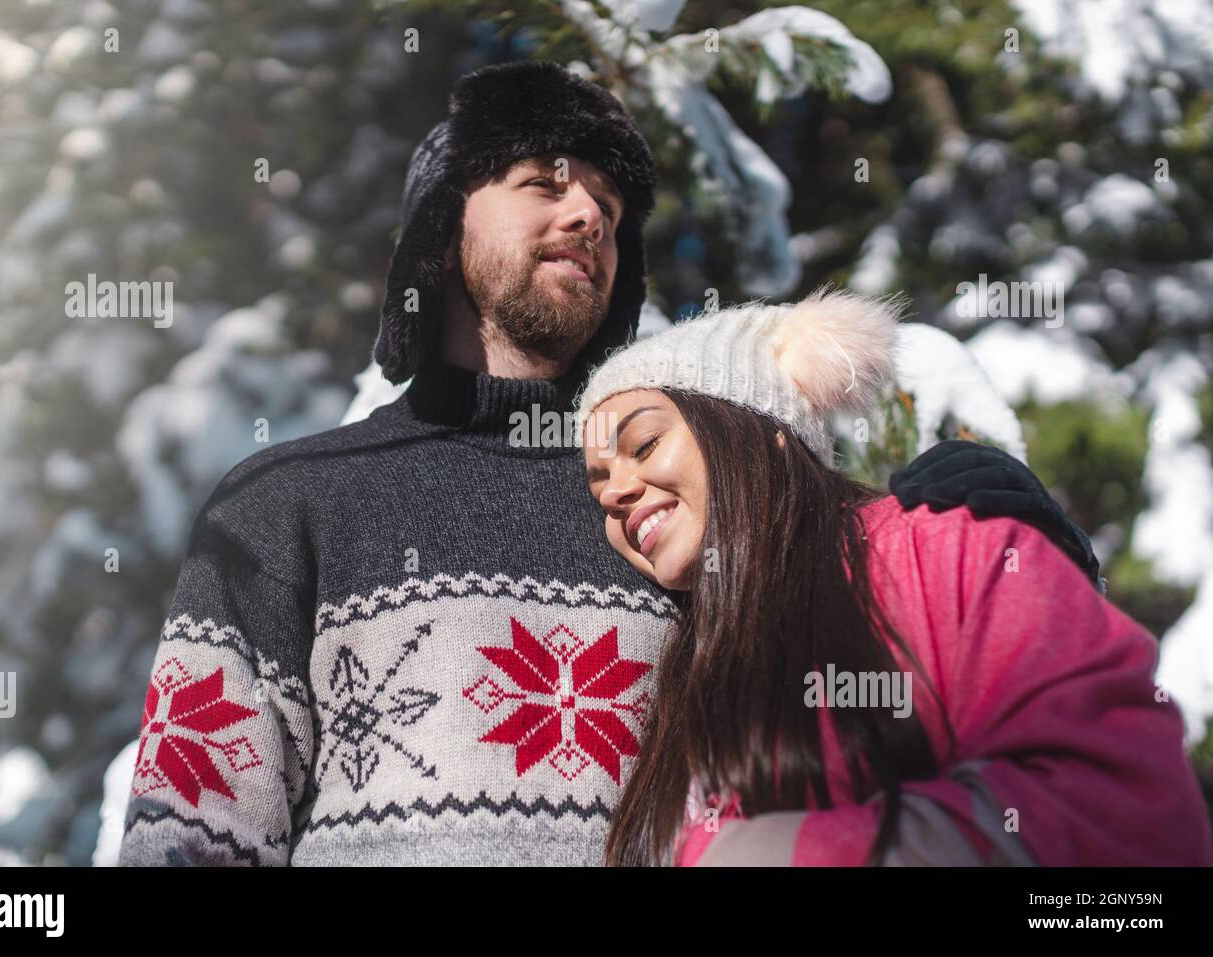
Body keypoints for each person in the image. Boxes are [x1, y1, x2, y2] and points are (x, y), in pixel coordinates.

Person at [118, 60, 1100, 866]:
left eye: (609, 206)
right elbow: (188, 844)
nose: (589, 214)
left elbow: (900, 668)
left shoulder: (673, 503)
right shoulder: (289, 506)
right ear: (438, 223)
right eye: (543, 181)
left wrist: (1030, 561)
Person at [575, 288, 1213, 867]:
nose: (617, 493)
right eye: (598, 483)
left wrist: (793, 854)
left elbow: (1130, 814)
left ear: (765, 433)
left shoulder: (945, 550)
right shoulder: (683, 668)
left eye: (643, 446)